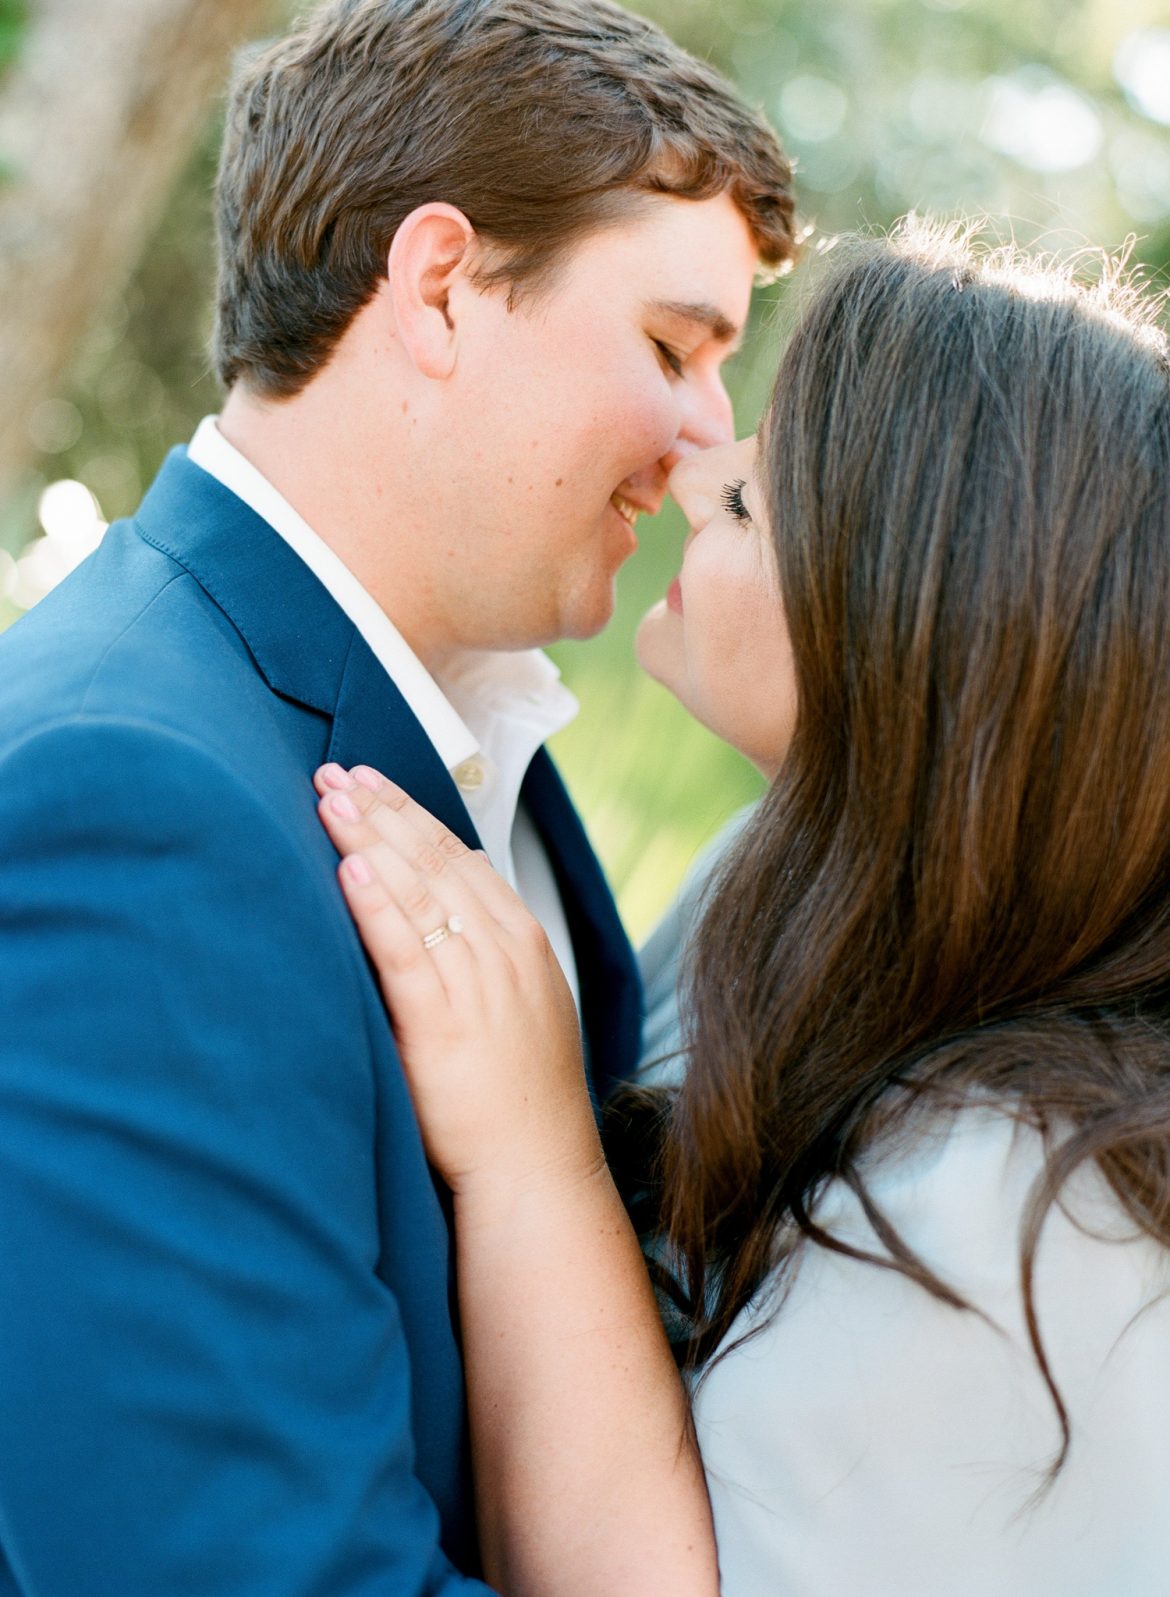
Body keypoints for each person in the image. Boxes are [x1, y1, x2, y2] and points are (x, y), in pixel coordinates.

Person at [0, 1, 796, 1590]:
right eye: (669, 348)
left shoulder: (465, 731)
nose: (708, 435)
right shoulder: (128, 804)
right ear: (438, 285)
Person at [314, 218, 1170, 1596]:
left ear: (905, 649)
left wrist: (532, 1152)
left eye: (752, 506)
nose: (693, 464)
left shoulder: (1020, 1207)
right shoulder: (774, 881)